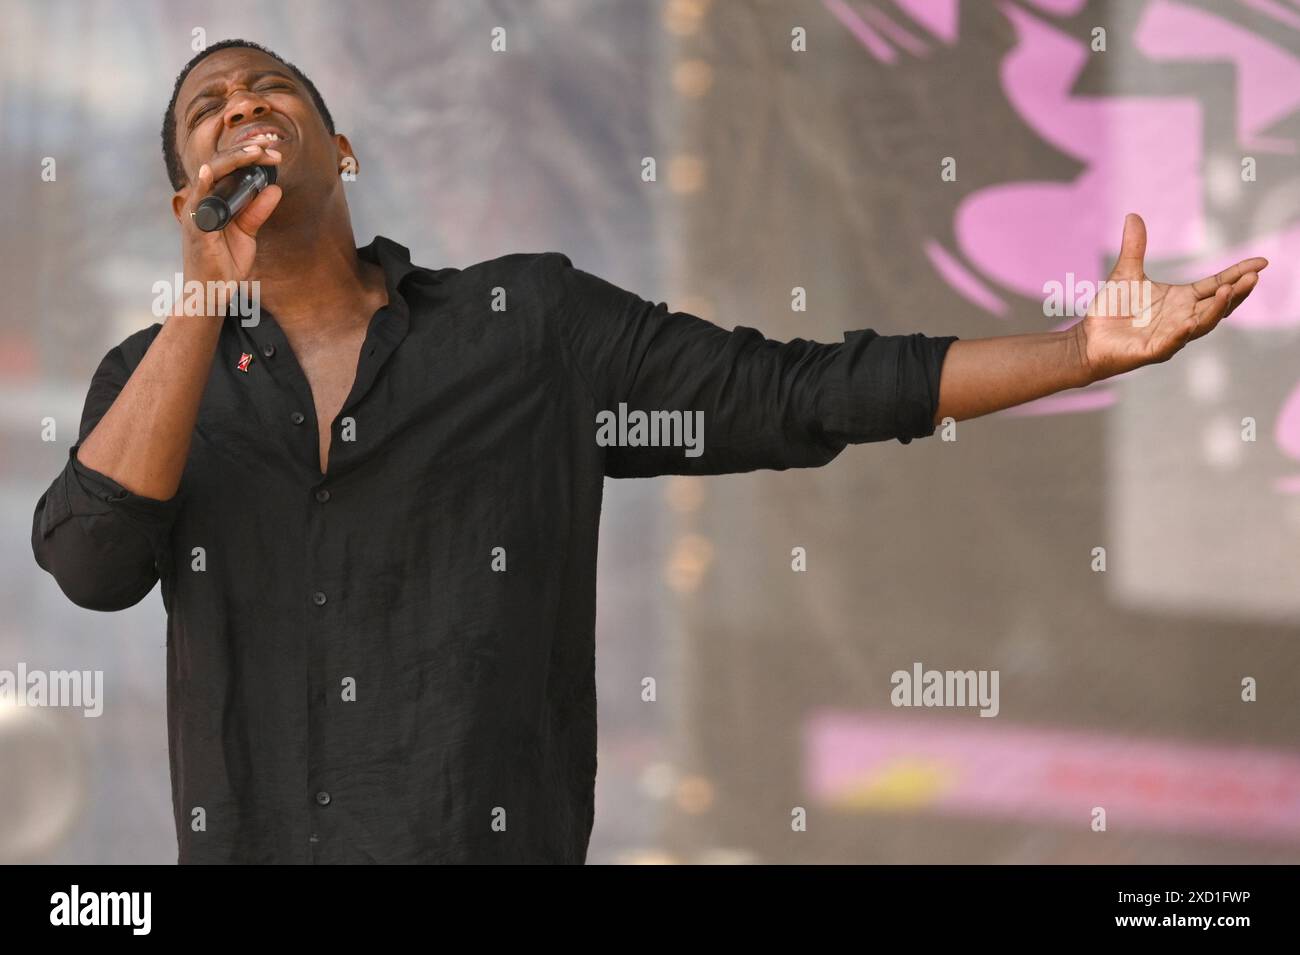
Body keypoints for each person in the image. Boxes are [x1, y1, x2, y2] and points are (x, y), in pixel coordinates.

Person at [30, 39, 1268, 863]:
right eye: (209, 111)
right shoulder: (155, 379)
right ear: (184, 187)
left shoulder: (527, 330)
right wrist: (201, 297)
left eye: (270, 91)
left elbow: (796, 391)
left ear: (341, 150)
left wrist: (1080, 352)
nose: (242, 108)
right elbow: (93, 559)